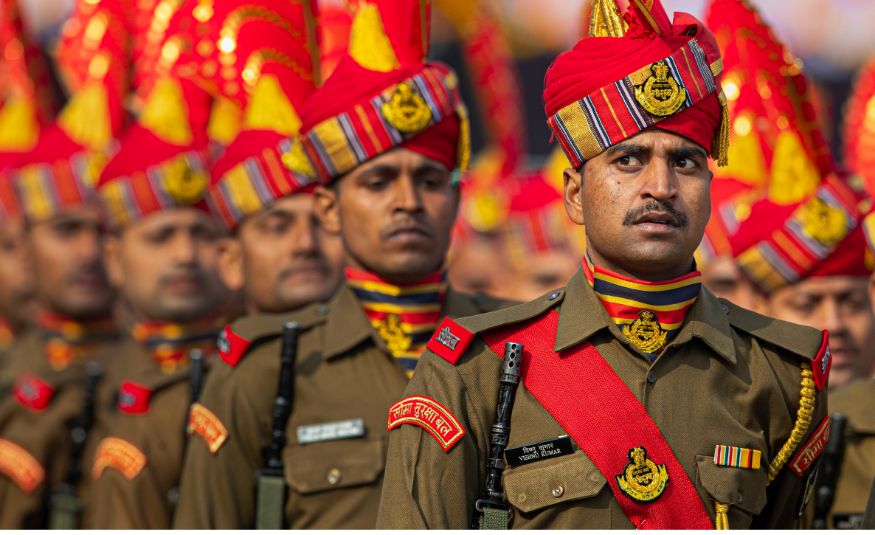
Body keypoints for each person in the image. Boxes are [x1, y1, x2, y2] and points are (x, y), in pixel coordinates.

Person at [377, 0, 829, 529]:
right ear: (574, 194)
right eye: (628, 160)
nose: (660, 187)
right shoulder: (475, 372)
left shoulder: (783, 375)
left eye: (684, 162)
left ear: (709, 188)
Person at [173, 0, 509, 528]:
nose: (408, 203)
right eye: (378, 182)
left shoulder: (521, 347)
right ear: (328, 209)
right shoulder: (268, 369)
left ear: (455, 198)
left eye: (429, 181)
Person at [82, 0, 252, 527]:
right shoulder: (84, 384)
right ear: (114, 258)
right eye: (161, 237)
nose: (184, 255)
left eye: (202, 234)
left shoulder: (258, 374)